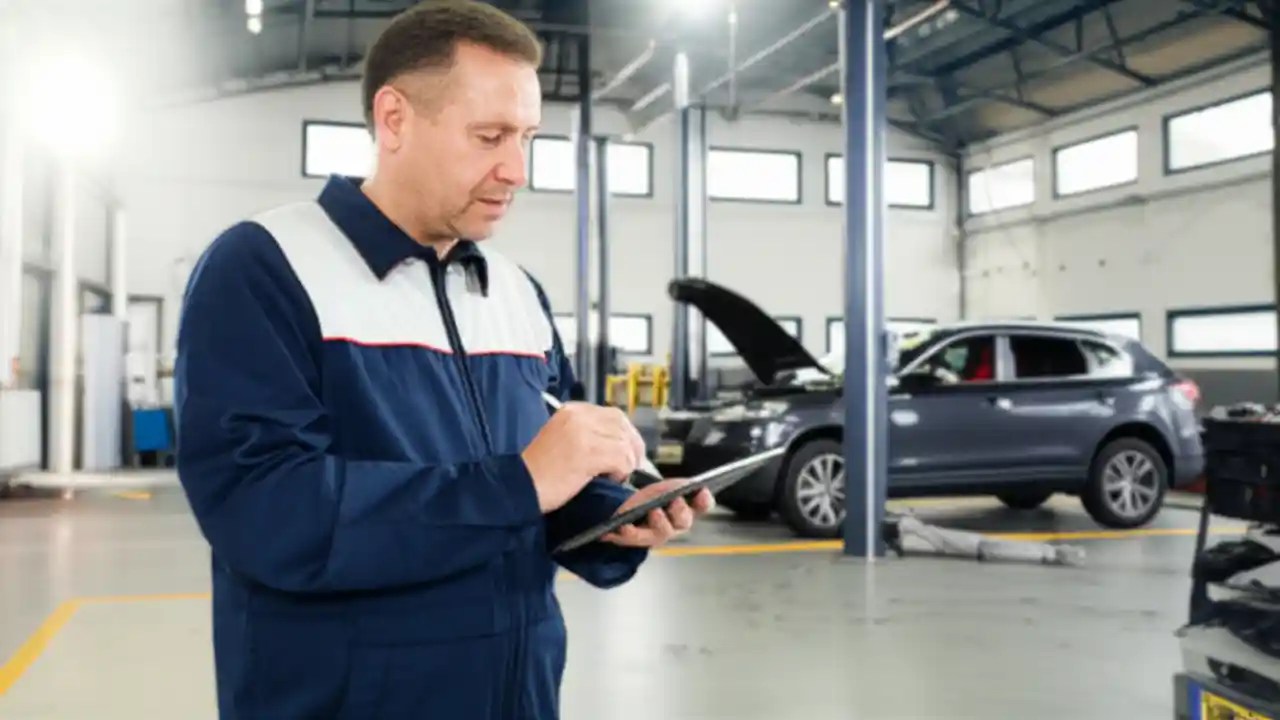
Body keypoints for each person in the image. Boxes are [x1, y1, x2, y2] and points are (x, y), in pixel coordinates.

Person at [172, 2, 714, 718]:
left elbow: (536, 491)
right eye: (489, 136)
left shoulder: (518, 295)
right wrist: (521, 485)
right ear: (394, 119)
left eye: (526, 137)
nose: (515, 169)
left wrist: (610, 519)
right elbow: (270, 514)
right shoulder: (267, 268)